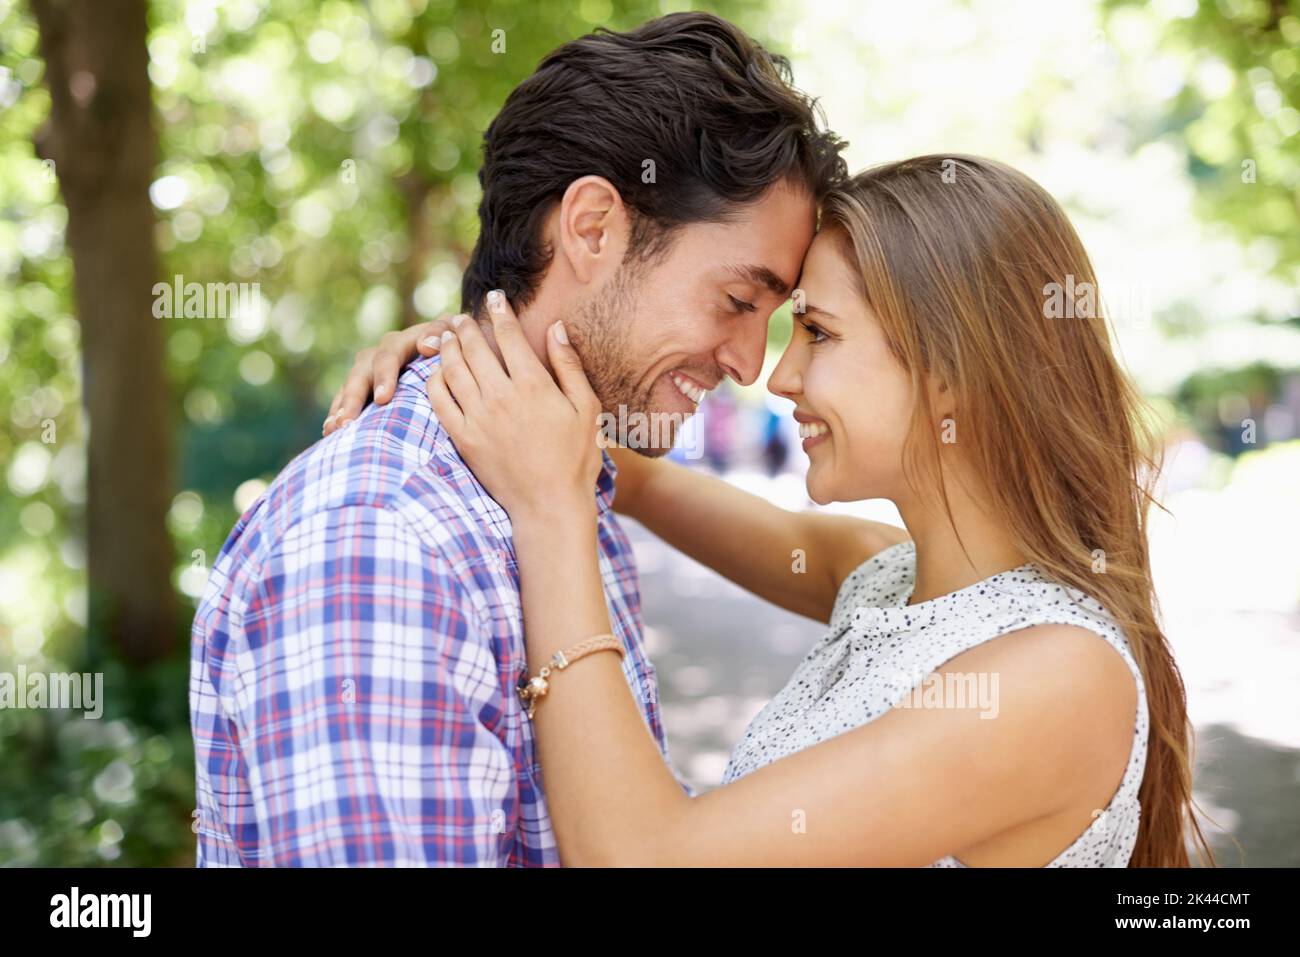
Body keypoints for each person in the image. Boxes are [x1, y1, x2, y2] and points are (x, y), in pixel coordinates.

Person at [333, 156, 1215, 866]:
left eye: (818, 333)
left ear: (951, 375)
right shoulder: (887, 577)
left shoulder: (1052, 678)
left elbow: (641, 857)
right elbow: (637, 478)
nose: (778, 374)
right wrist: (478, 360)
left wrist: (551, 514)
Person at [189, 11, 847, 866]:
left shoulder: (564, 484)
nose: (750, 364)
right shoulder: (382, 538)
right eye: (736, 301)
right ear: (592, 228)